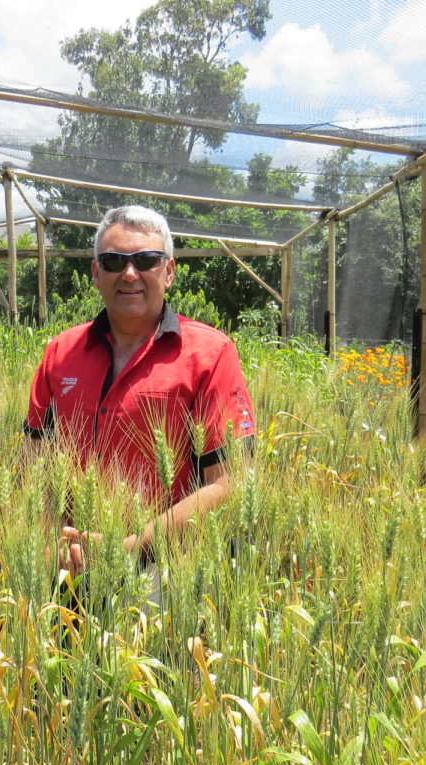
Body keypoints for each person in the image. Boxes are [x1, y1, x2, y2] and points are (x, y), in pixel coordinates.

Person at [24, 205, 255, 581]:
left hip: (164, 571)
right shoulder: (59, 352)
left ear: (169, 272)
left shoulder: (211, 354)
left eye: (147, 259)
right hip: (64, 566)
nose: (129, 273)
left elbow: (229, 481)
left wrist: (129, 545)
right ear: (96, 274)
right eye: (114, 261)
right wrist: (46, 538)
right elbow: (31, 465)